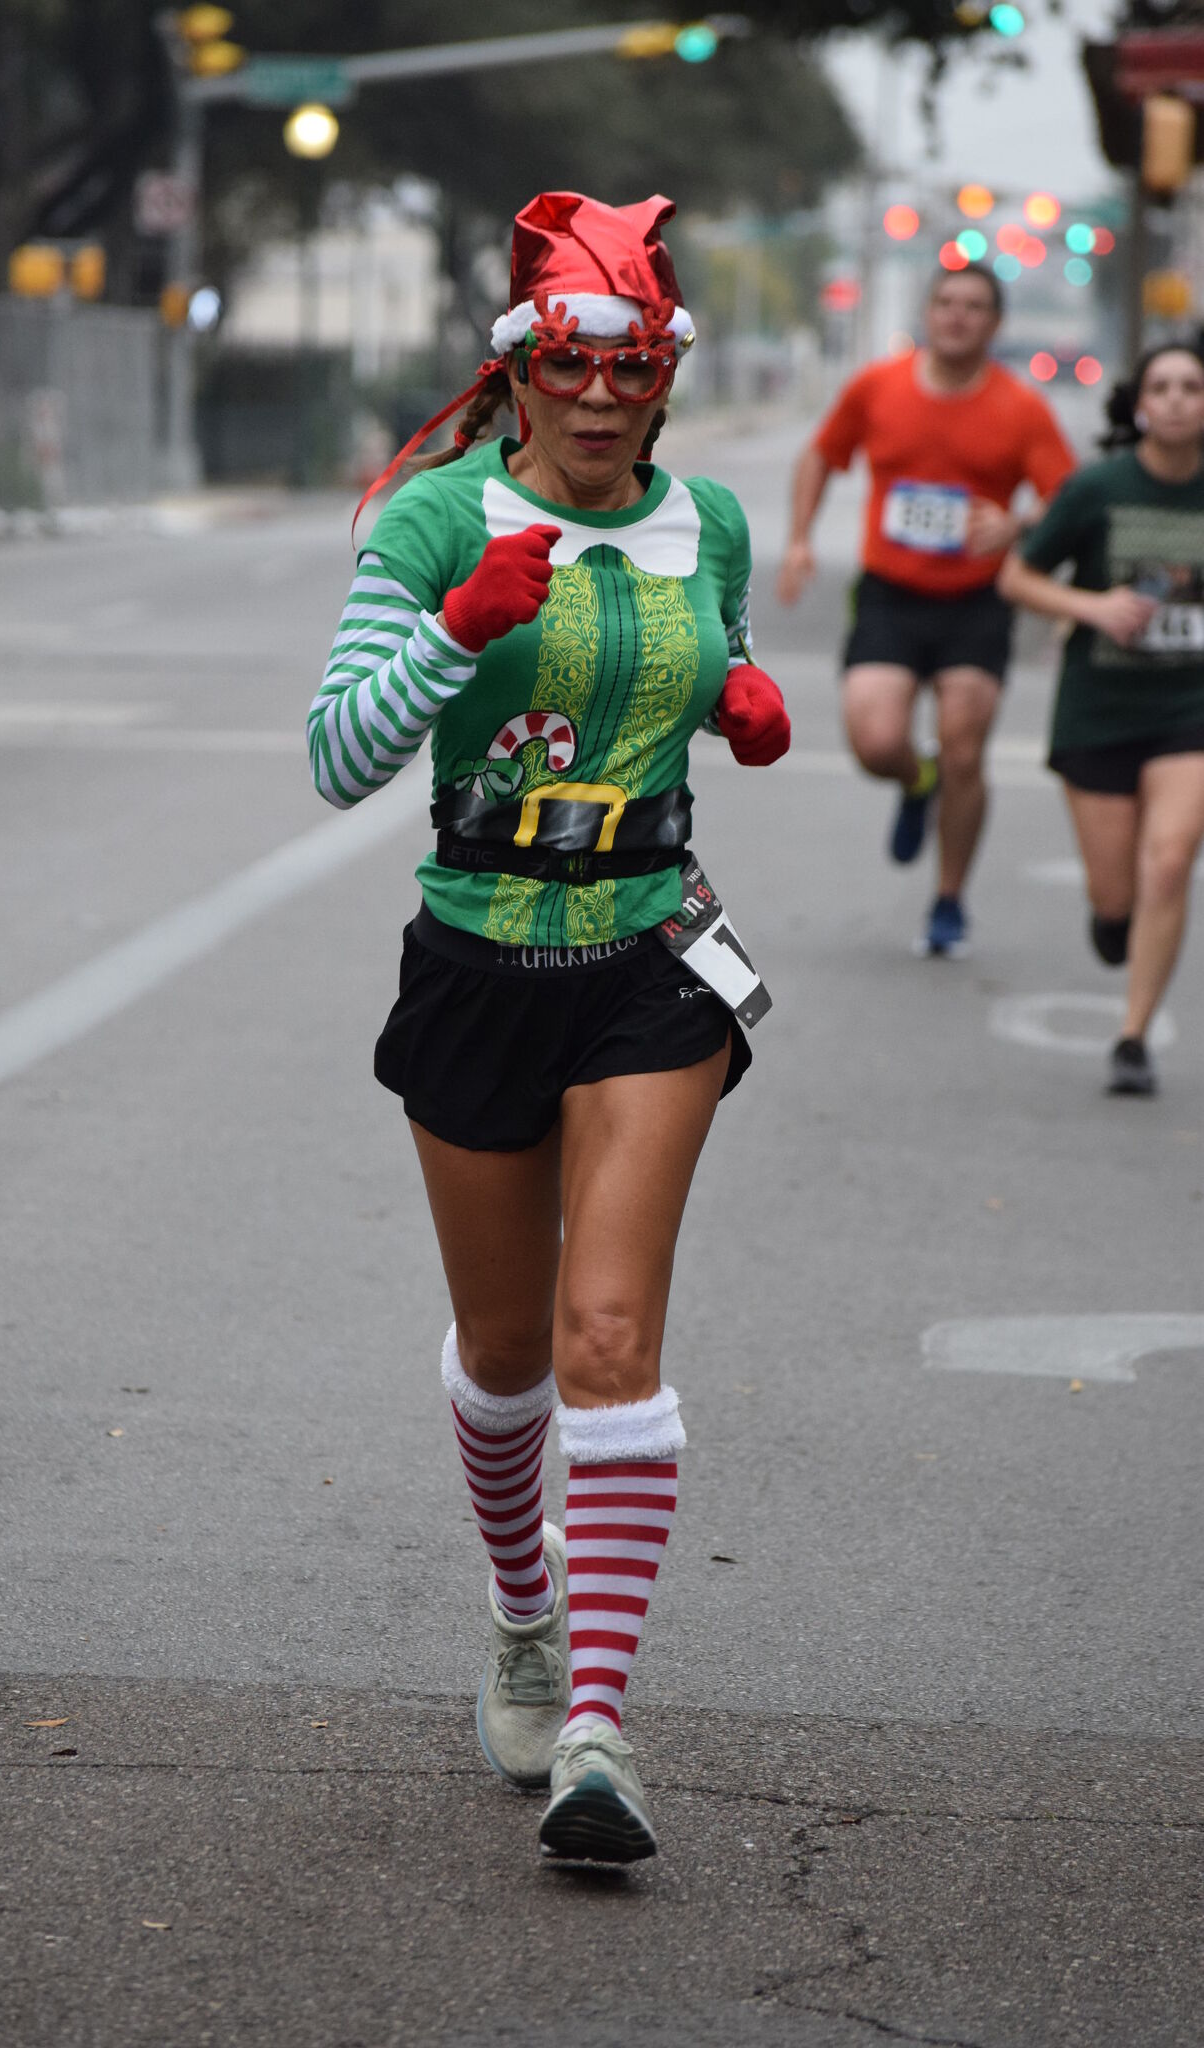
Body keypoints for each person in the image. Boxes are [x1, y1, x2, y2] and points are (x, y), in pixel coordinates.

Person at [307, 191, 790, 1864]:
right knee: (508, 1358)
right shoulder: (433, 518)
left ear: (663, 381)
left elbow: (699, 658)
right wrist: (451, 636)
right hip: (474, 955)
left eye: (631, 365)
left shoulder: (706, 519)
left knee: (604, 1341)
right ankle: (522, 1611)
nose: (599, 394)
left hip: (646, 953)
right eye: (572, 364)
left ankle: (596, 1724)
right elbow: (337, 755)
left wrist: (736, 693)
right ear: (522, 374)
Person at [777, 264, 1076, 956]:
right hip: (891, 594)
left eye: (973, 306)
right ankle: (919, 780)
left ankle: (948, 900)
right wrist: (797, 541)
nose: (957, 316)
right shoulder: (878, 386)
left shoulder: (1020, 408)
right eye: (945, 303)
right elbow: (820, 456)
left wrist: (1018, 525)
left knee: (966, 743)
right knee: (876, 741)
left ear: (994, 323)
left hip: (976, 601)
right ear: (928, 312)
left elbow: (1067, 494)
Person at [998, 343, 1204, 1096]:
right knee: (1116, 895)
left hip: (1189, 710)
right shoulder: (1095, 490)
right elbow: (1014, 576)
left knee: (1170, 861)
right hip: (1099, 710)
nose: (1178, 399)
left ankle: (1132, 1035)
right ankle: (1112, 919)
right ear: (1139, 403)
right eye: (1163, 386)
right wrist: (1092, 607)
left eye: (1192, 386)